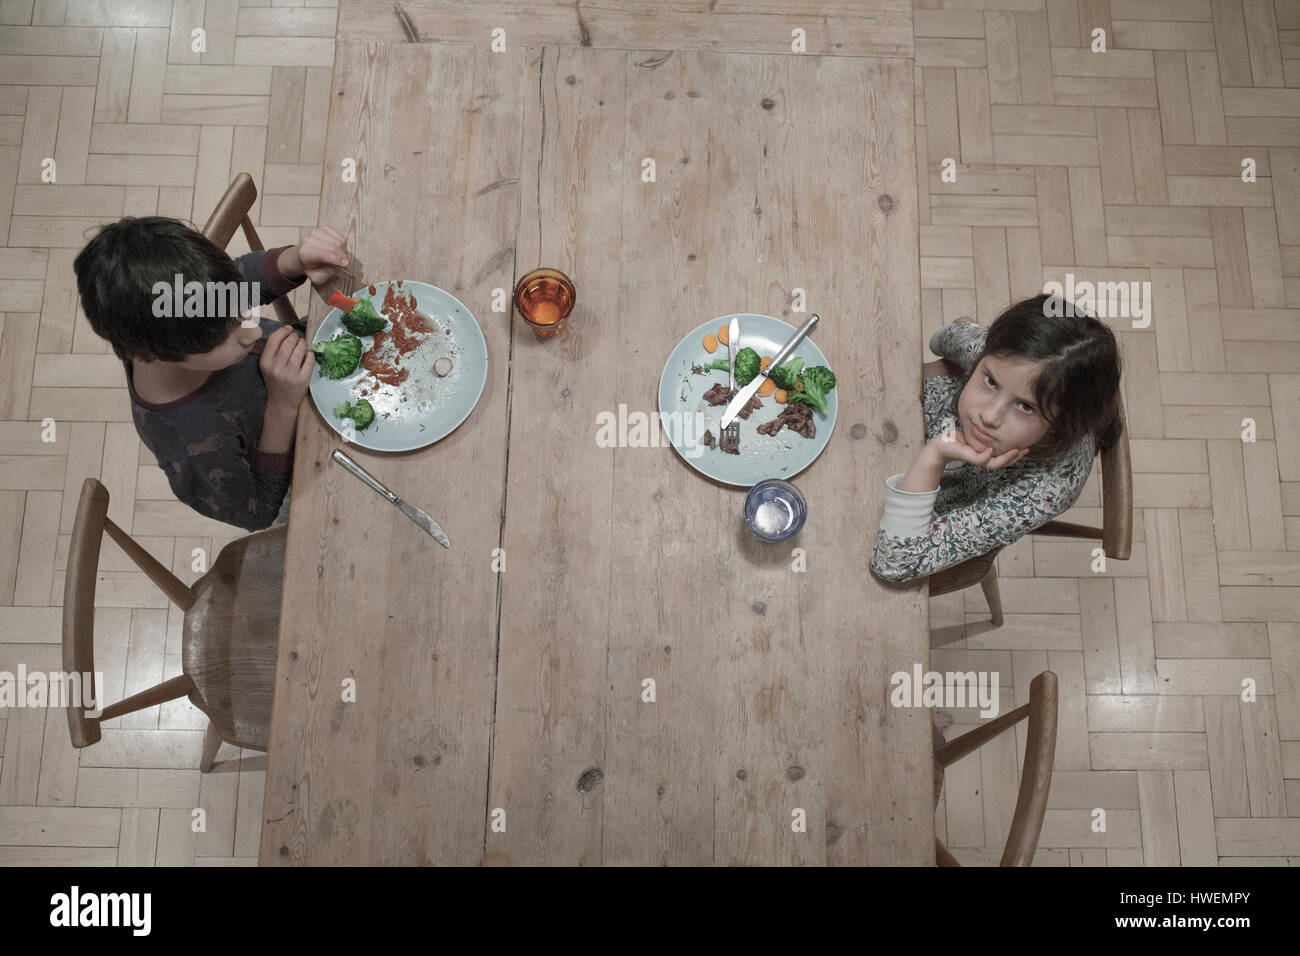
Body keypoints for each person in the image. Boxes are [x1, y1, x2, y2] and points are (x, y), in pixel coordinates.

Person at [74, 217, 350, 531]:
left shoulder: (185, 310)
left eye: (240, 309)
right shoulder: (189, 444)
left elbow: (240, 278)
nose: (252, 330)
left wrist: (295, 259)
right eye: (222, 335)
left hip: (312, 369)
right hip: (307, 470)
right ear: (156, 354)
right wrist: (281, 406)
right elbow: (257, 511)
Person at [870, 293, 1123, 584]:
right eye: (990, 381)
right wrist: (968, 330)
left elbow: (894, 564)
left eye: (1026, 406)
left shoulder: (1045, 490)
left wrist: (934, 455)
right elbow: (944, 338)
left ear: (1063, 425)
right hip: (897, 426)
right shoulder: (1004, 355)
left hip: (923, 502)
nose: (990, 416)